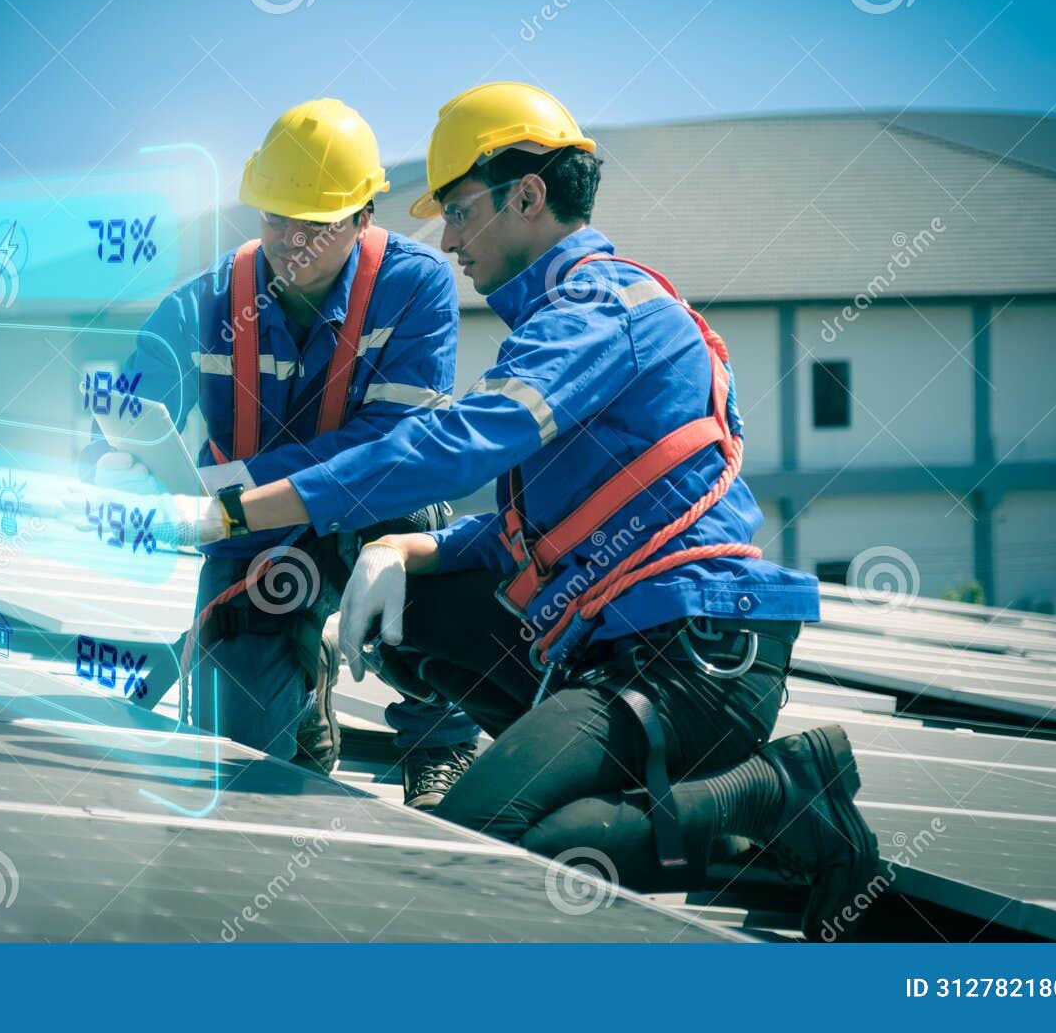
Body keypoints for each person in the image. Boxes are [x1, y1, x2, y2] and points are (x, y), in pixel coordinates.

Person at [169, 83, 880, 938]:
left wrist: (238, 513)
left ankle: (780, 795)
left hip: (691, 663)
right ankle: (642, 796)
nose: (449, 239)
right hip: (605, 655)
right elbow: (528, 537)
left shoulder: (598, 310)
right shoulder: (560, 315)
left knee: (478, 842)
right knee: (408, 593)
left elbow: (458, 444)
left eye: (461, 211)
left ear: (529, 196)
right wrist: (409, 554)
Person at [77, 98, 480, 794]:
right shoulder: (199, 305)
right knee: (230, 762)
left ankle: (439, 737)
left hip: (366, 517)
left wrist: (228, 492)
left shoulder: (415, 287)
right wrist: (110, 462)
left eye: (318, 225)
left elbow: (394, 443)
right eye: (276, 218)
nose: (293, 240)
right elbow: (125, 404)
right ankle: (300, 700)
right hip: (250, 545)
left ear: (363, 217)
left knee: (413, 529)